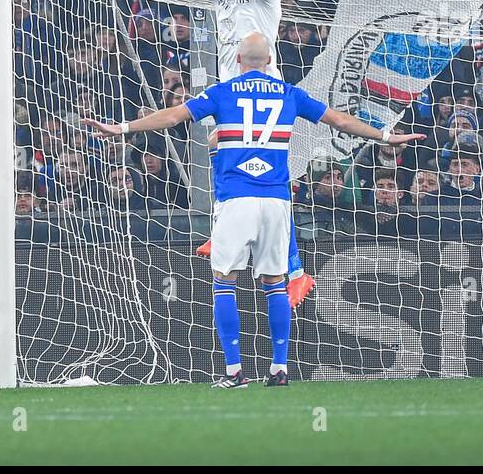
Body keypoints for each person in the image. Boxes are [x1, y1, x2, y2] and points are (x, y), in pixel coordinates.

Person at [83, 31, 423, 388]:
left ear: (239, 62)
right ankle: (279, 368)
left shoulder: (223, 92)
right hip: (276, 200)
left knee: (224, 282)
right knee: (275, 283)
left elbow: (172, 117)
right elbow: (340, 120)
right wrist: (386, 137)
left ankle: (234, 372)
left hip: (237, 197)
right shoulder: (289, 94)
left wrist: (121, 127)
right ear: (272, 62)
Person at [165, 0, 317, 306]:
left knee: (266, 181)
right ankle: (222, 235)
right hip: (231, 93)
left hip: (264, 96)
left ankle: (298, 272)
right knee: (227, 165)